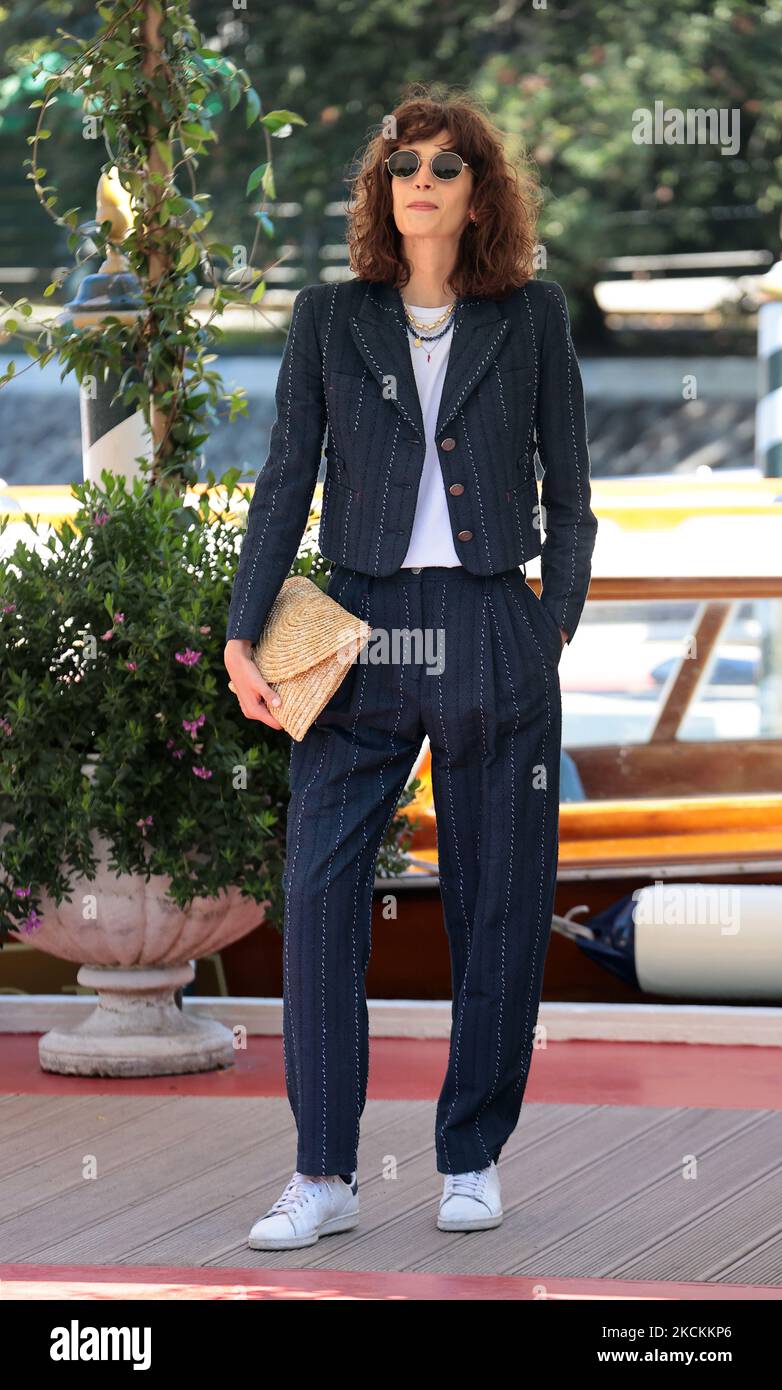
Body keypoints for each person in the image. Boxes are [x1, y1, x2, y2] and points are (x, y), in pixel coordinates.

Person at [223, 85, 598, 1250]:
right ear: (383, 194)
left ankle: (471, 1155)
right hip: (361, 628)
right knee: (322, 890)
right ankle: (322, 1175)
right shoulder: (327, 319)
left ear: (476, 190)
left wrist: (552, 625)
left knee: (496, 904)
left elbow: (572, 492)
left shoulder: (529, 315)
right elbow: (287, 475)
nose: (421, 178)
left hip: (494, 628)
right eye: (402, 165)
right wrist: (242, 629)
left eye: (445, 163)